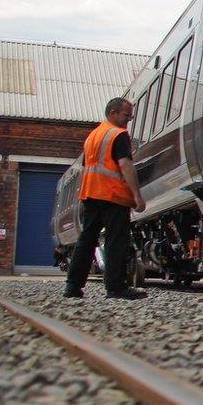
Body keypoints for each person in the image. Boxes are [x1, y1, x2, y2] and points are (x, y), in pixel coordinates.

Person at [64, 96, 148, 300]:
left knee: (86, 240)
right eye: (127, 116)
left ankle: (72, 286)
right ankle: (116, 287)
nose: (128, 121)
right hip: (112, 194)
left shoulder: (93, 135)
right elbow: (125, 164)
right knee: (115, 241)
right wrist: (137, 196)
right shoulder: (118, 134)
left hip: (91, 194)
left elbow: (87, 166)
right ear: (113, 113)